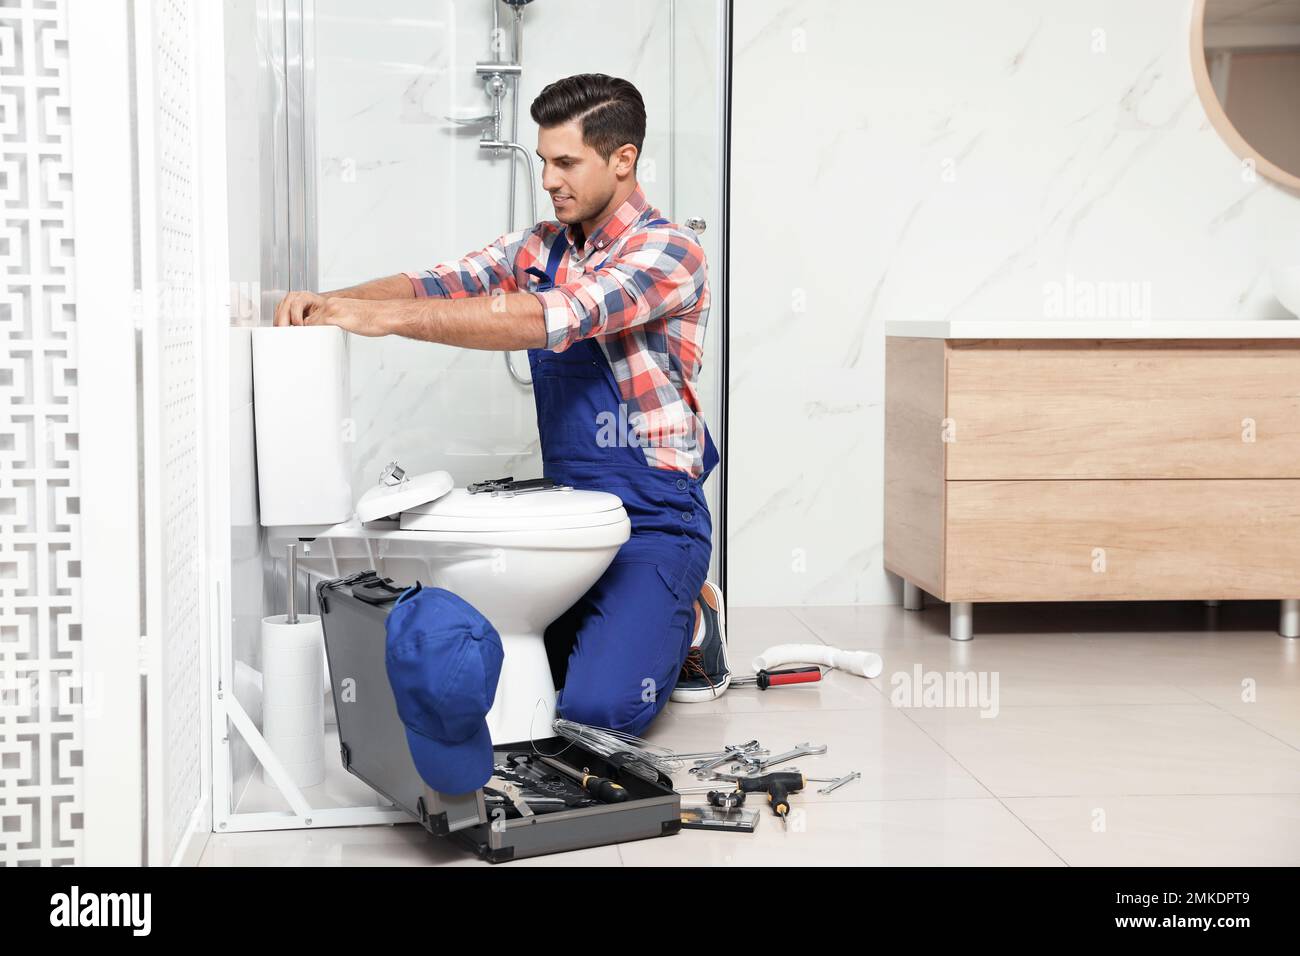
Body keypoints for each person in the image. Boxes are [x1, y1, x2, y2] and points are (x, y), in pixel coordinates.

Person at [274, 73, 727, 735]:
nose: (548, 178)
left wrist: (384, 321)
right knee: (504, 672)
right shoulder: (539, 246)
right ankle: (644, 619)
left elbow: (551, 318)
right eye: (544, 160)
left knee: (595, 711)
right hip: (574, 506)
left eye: (566, 162)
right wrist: (332, 303)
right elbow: (435, 283)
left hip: (657, 511)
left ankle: (692, 617)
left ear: (623, 160)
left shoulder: (669, 253)